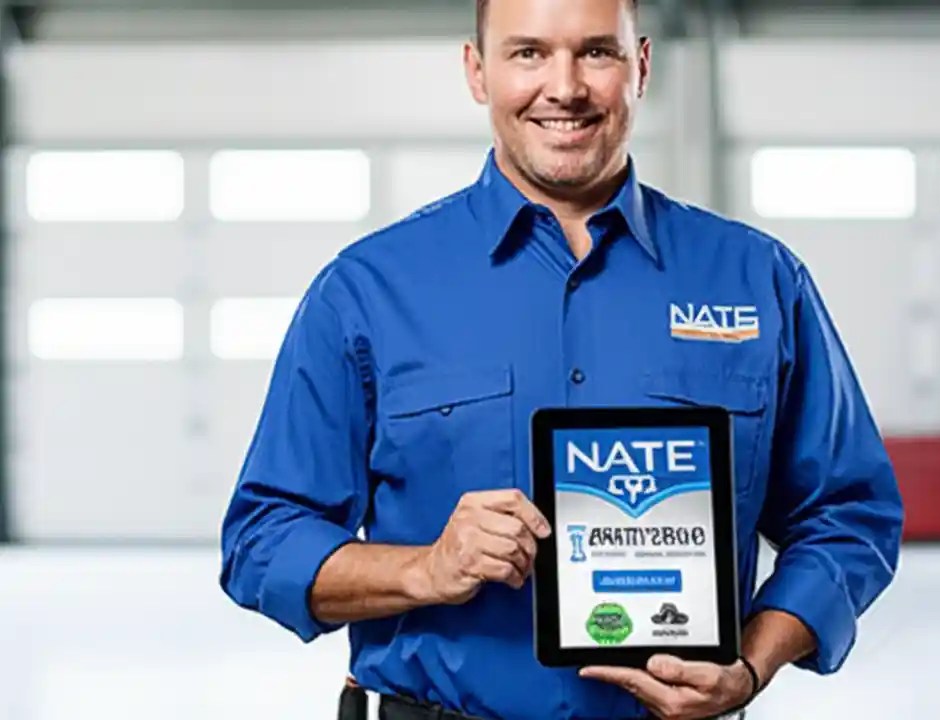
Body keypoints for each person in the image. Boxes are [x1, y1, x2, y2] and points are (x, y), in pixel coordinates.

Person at [218, 0, 903, 718]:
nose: (566, 87)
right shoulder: (367, 291)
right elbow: (264, 542)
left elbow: (849, 515)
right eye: (528, 54)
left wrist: (754, 662)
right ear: (477, 71)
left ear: (640, 66)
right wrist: (426, 568)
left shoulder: (758, 280)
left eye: (596, 54)